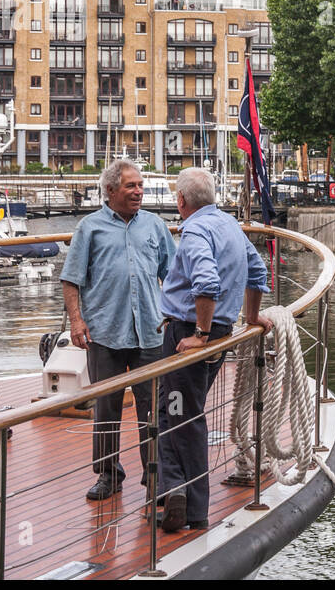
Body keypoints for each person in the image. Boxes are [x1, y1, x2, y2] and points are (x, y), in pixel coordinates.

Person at [157, 167, 273, 532]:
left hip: (188, 334)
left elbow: (205, 282)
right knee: (172, 409)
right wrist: (252, 316)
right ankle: (172, 488)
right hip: (221, 332)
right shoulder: (229, 226)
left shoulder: (195, 229)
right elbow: (258, 271)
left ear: (181, 201)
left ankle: (192, 507)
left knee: (181, 415)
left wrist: (199, 335)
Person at [60, 159, 175, 501]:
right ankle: (109, 475)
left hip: (150, 333)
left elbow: (173, 274)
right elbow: (71, 279)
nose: (138, 191)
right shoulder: (90, 228)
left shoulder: (155, 226)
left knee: (152, 409)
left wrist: (176, 316)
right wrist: (76, 320)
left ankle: (155, 478)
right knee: (106, 408)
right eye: (131, 186)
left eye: (140, 185)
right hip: (105, 333)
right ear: (110, 191)